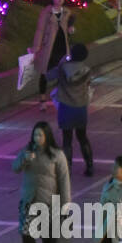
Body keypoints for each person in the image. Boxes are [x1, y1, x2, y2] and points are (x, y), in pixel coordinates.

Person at [12, 121, 71, 243]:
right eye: (35, 134)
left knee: (48, 238)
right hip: (29, 200)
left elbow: (64, 180)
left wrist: (66, 204)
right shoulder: (27, 151)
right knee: (26, 235)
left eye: (40, 135)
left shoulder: (57, 154)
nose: (37, 138)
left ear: (47, 136)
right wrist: (24, 159)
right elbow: (15, 167)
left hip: (48, 202)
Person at [48, 42, 95, 177]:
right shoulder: (87, 70)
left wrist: (61, 62)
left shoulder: (63, 68)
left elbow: (49, 76)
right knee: (82, 137)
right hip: (81, 108)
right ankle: (89, 166)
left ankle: (67, 168)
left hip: (66, 107)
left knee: (67, 139)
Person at [29, 0, 76, 102]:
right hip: (48, 47)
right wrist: (36, 46)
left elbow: (68, 29)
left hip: (62, 47)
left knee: (63, 71)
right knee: (45, 71)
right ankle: (42, 98)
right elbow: (40, 30)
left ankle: (60, 95)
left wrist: (71, 30)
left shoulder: (67, 12)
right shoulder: (46, 12)